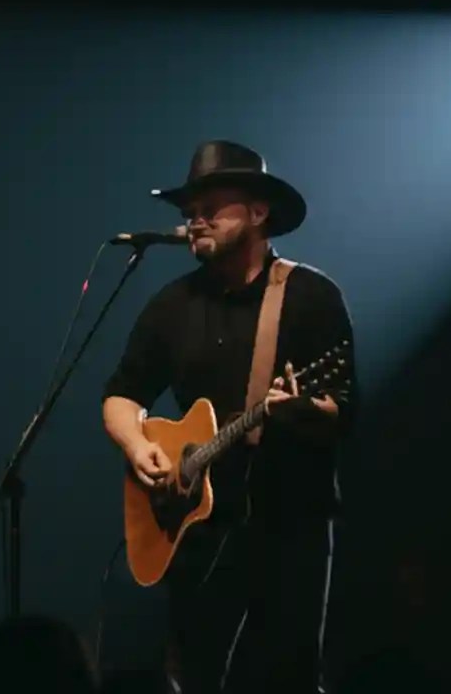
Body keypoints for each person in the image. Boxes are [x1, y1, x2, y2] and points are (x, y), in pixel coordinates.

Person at [102, 140, 357, 693]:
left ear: (258, 212)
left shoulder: (309, 297)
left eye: (210, 209)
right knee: (192, 677)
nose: (195, 222)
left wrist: (302, 409)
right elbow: (122, 394)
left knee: (282, 678)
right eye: (189, 213)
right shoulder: (171, 305)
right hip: (196, 531)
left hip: (287, 523)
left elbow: (342, 407)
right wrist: (136, 445)